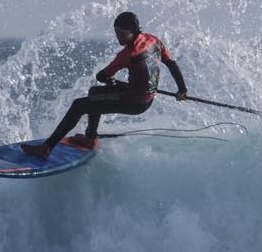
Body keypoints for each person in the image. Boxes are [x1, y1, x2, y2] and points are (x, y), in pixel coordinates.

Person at [21, 11, 187, 158]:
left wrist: (109, 79)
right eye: (116, 32)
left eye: (122, 33)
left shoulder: (128, 53)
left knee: (78, 105)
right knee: (94, 92)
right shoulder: (154, 40)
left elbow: (102, 75)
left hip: (133, 102)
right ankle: (90, 138)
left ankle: (47, 147)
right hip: (146, 97)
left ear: (133, 31)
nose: (118, 37)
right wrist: (182, 89)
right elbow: (171, 63)